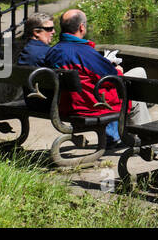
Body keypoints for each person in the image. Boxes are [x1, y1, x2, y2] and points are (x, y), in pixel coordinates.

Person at [45, 9, 150, 146]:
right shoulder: (83, 52)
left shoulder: (53, 51)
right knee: (135, 90)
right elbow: (112, 79)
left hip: (67, 105)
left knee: (135, 78)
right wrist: (118, 70)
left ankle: (117, 136)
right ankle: (148, 143)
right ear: (81, 27)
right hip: (91, 106)